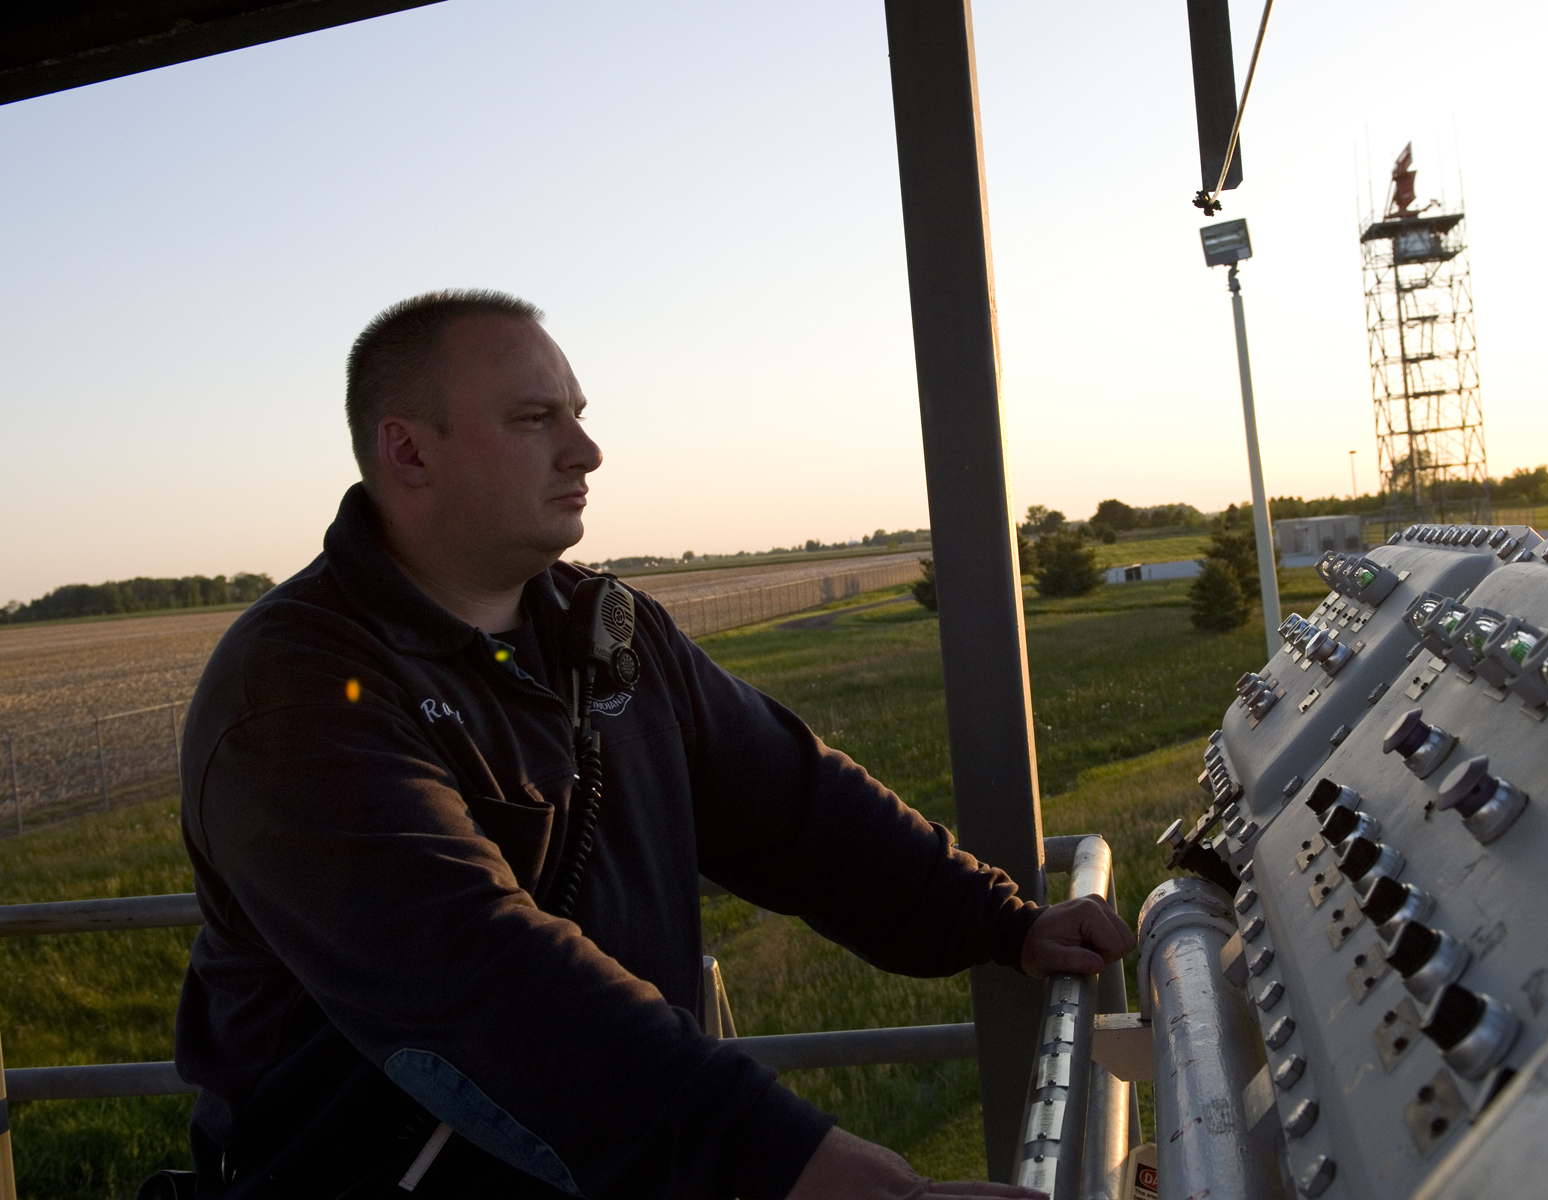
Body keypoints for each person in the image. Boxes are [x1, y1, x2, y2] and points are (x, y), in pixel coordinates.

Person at [174, 290, 1135, 1199]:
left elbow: (796, 807)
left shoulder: (610, 634)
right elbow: (482, 981)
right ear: (409, 453)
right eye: (533, 419)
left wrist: (1001, 922)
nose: (586, 450)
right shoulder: (293, 694)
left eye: (578, 413)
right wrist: (812, 1173)